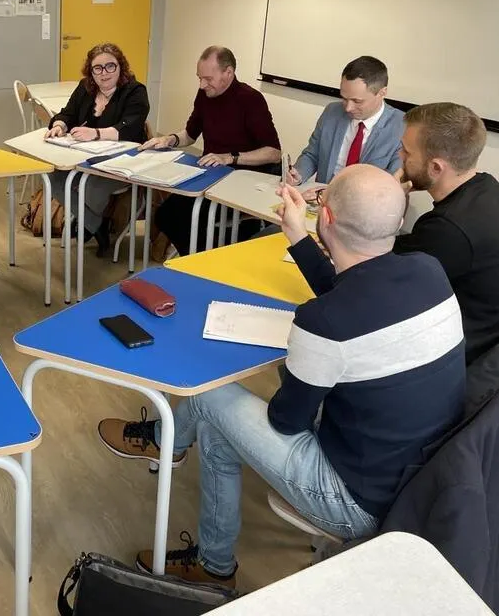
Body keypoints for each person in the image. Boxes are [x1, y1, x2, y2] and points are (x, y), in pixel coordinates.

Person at [97, 165, 466, 584]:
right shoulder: (429, 272)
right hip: (425, 482)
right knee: (220, 428)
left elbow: (287, 421)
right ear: (399, 223)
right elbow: (352, 291)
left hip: (359, 503)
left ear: (324, 218)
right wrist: (297, 238)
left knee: (209, 397)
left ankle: (168, 446)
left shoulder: (324, 322)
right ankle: (212, 562)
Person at [393, 102, 499, 362]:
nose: (400, 156)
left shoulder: (448, 228)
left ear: (436, 168)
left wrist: (388, 200)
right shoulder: (497, 192)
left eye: (407, 152)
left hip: (471, 360)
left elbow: (377, 273)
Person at [143, 46, 281, 255]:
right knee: (165, 214)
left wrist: (230, 157)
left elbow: (273, 152)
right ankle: (196, 259)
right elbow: (190, 134)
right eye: (199, 78)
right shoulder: (204, 94)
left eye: (208, 78)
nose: (202, 84)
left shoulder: (251, 100)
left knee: (191, 217)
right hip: (211, 175)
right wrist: (168, 139)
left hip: (242, 179)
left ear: (228, 73)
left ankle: (202, 260)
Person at [45, 42, 150, 255]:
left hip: (122, 160)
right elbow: (68, 113)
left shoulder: (135, 91)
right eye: (97, 68)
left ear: (120, 67)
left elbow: (130, 127)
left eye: (110, 66)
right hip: (84, 157)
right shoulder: (86, 88)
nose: (104, 73)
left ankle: (87, 223)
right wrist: (59, 125)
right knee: (53, 178)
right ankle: (97, 225)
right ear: (90, 71)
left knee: (91, 189)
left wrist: (96, 133)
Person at [287, 56, 404, 186]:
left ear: (382, 93)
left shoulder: (401, 126)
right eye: (344, 98)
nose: (348, 108)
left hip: (368, 202)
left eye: (357, 101)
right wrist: (298, 174)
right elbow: (312, 154)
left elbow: (394, 182)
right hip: (323, 196)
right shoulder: (332, 112)